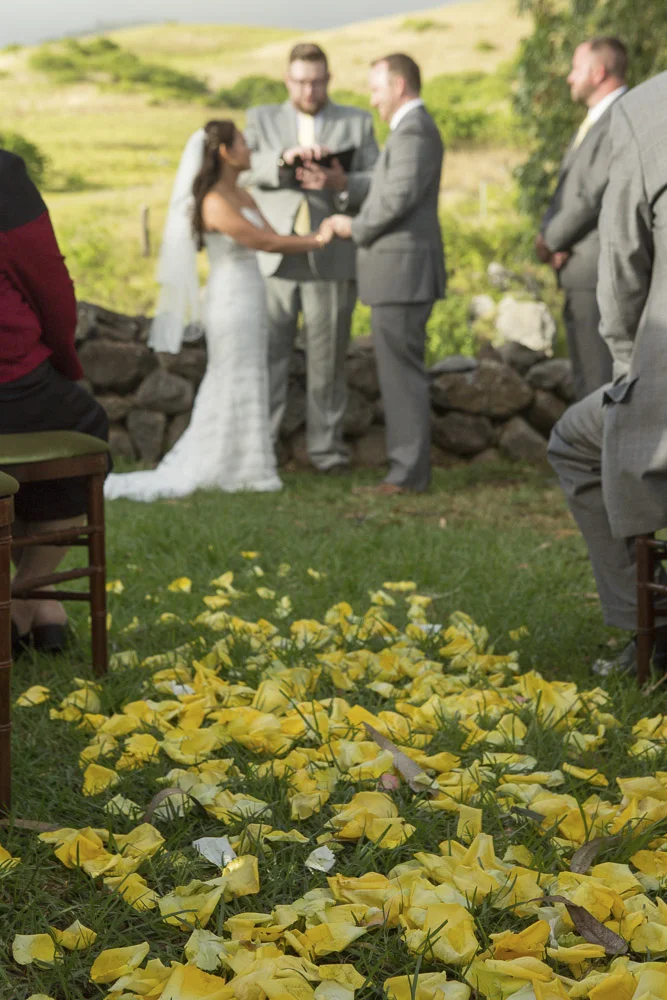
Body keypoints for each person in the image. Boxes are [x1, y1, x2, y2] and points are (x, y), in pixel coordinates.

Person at [104, 120, 334, 504]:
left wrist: (309, 236)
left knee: (252, 372)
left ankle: (248, 465)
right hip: (231, 298)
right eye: (242, 142)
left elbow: (274, 234)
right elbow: (264, 241)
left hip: (252, 294)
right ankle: (222, 464)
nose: (249, 148)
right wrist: (319, 239)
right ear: (225, 152)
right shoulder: (213, 201)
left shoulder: (242, 194)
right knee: (230, 373)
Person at [548, 69, 667, 676]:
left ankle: (650, 628)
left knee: (574, 442)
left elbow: (621, 273)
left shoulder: (650, 108)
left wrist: (628, 372)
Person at [244, 42, 379, 474]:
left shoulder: (356, 121)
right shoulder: (261, 119)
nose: (309, 90)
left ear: (329, 79)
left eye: (317, 81)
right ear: (287, 80)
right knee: (270, 357)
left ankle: (327, 452)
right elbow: (241, 171)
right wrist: (280, 161)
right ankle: (263, 449)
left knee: (329, 361)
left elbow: (379, 182)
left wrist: (341, 182)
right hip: (277, 256)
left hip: (331, 256)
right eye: (301, 81)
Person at [0, 149, 109, 657]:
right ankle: (23, 600)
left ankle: (45, 607)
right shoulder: (3, 178)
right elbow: (51, 289)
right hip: (11, 379)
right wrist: (64, 360)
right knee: (84, 425)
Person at [326, 53, 445, 495]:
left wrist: (352, 227)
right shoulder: (408, 131)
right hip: (399, 273)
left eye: (376, 89)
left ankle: (407, 474)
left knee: (402, 377)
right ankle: (406, 469)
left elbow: (396, 199)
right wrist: (342, 183)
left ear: (398, 86)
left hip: (403, 273)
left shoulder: (414, 132)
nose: (372, 98)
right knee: (398, 373)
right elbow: (384, 186)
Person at [536, 36, 628, 402]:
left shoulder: (620, 117)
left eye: (576, 69)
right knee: (586, 382)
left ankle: (606, 444)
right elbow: (568, 192)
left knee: (598, 385)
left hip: (596, 270)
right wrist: (549, 234)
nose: (569, 77)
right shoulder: (593, 121)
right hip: (577, 268)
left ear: (598, 71)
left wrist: (551, 239)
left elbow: (592, 194)